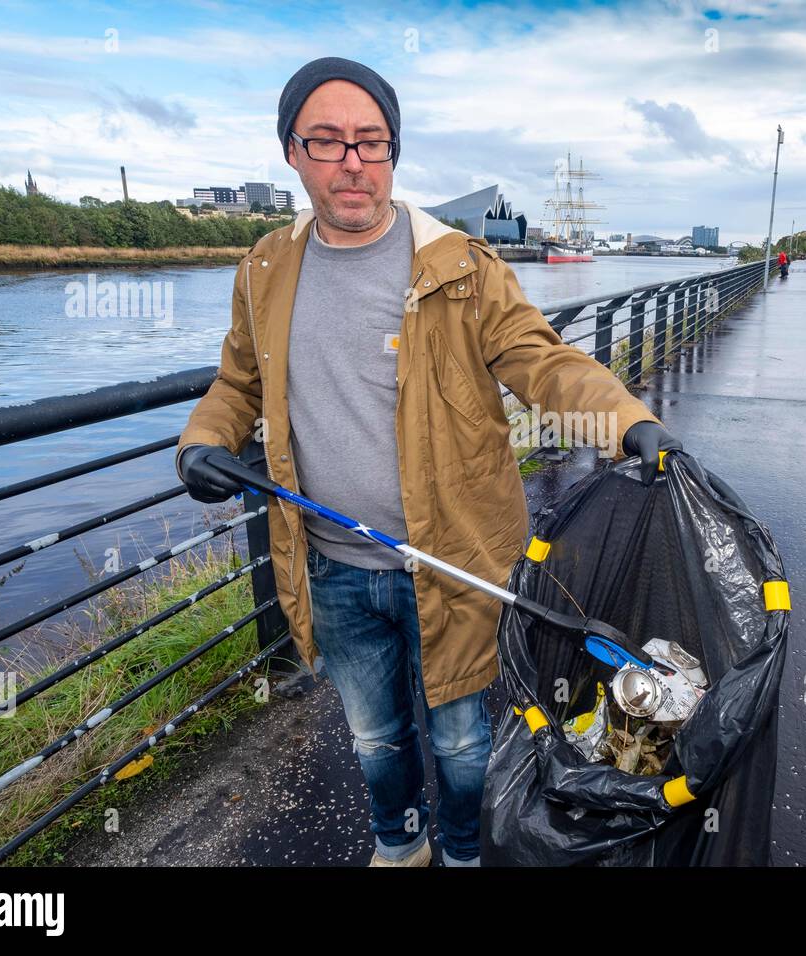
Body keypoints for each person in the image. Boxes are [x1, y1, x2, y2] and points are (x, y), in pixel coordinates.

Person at [174, 57, 681, 868]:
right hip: (329, 563)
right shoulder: (264, 269)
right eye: (329, 141)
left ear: (394, 152)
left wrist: (629, 425)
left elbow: (544, 364)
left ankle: (461, 851)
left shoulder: (463, 268)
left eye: (371, 142)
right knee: (375, 734)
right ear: (293, 153)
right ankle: (397, 842)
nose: (353, 162)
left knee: (462, 742)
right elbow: (239, 380)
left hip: (454, 560)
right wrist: (203, 439)